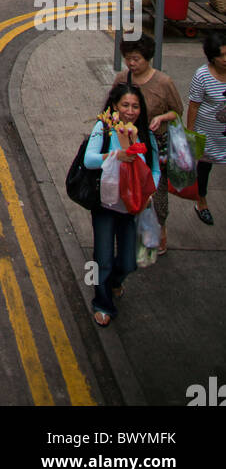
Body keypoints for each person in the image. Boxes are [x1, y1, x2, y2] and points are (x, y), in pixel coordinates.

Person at [83, 82, 159, 327]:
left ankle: (113, 281)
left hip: (132, 207)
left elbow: (156, 169)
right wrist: (116, 155)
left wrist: (150, 191)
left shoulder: (145, 133)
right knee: (101, 257)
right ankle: (101, 301)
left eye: (135, 106)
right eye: (125, 105)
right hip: (105, 205)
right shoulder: (103, 128)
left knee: (128, 262)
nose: (130, 110)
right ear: (114, 106)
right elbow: (89, 159)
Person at [114, 34, 183, 253]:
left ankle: (159, 228)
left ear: (148, 58)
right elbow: (109, 108)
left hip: (156, 145)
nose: (131, 64)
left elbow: (177, 111)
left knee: (157, 189)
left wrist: (161, 118)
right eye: (128, 58)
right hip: (127, 144)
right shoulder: (122, 79)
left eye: (136, 59)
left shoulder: (164, 83)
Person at [186, 30, 226, 226]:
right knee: (204, 168)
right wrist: (191, 135)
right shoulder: (202, 75)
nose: (225, 59)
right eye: (221, 55)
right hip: (207, 133)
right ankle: (201, 201)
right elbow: (193, 105)